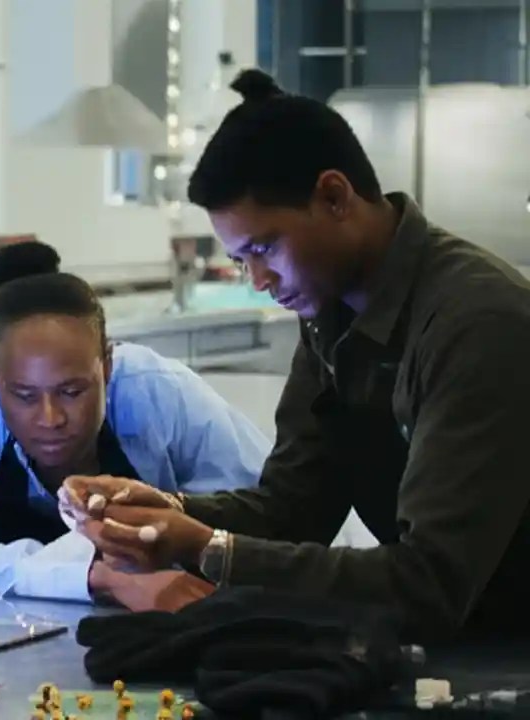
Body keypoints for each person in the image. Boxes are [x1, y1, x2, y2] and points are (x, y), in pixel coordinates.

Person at [64, 69, 530, 639]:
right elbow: (291, 510)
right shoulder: (329, 315)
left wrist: (208, 548)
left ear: (334, 197)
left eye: (264, 248)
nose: (257, 278)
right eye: (240, 259)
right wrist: (166, 511)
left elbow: (428, 582)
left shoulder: (478, 324)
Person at [0, 240, 268, 602]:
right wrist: (100, 576)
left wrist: (176, 531)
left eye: (72, 391)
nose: (50, 419)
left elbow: (269, 506)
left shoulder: (154, 387)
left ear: (106, 366)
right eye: (24, 395)